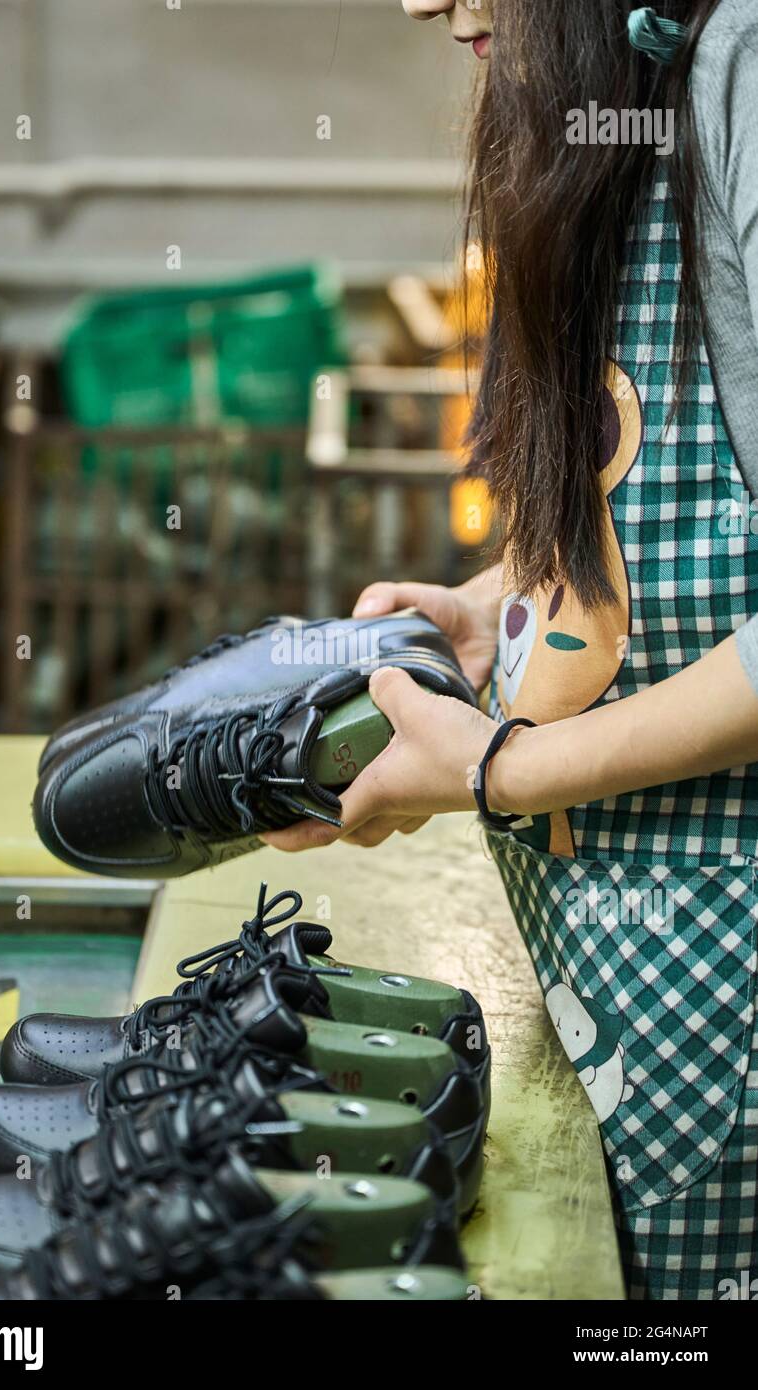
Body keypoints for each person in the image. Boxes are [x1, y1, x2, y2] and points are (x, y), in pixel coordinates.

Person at [264, 0, 758, 1302]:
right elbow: (667, 496)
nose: (422, 3)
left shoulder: (744, 75)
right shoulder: (622, 111)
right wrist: (502, 610)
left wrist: (498, 765)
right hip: (626, 991)